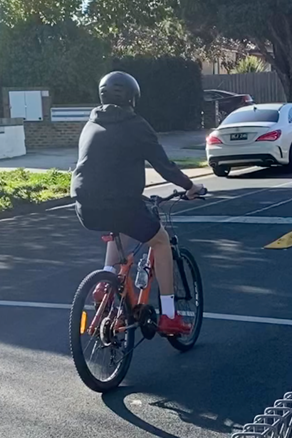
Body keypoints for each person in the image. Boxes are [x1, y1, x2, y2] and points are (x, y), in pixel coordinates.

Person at [71, 71, 205, 336]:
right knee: (161, 240)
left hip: (84, 204)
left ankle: (105, 282)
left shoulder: (91, 122)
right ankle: (169, 315)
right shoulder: (135, 124)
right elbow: (164, 166)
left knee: (117, 226)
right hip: (120, 202)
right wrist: (190, 187)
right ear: (133, 97)